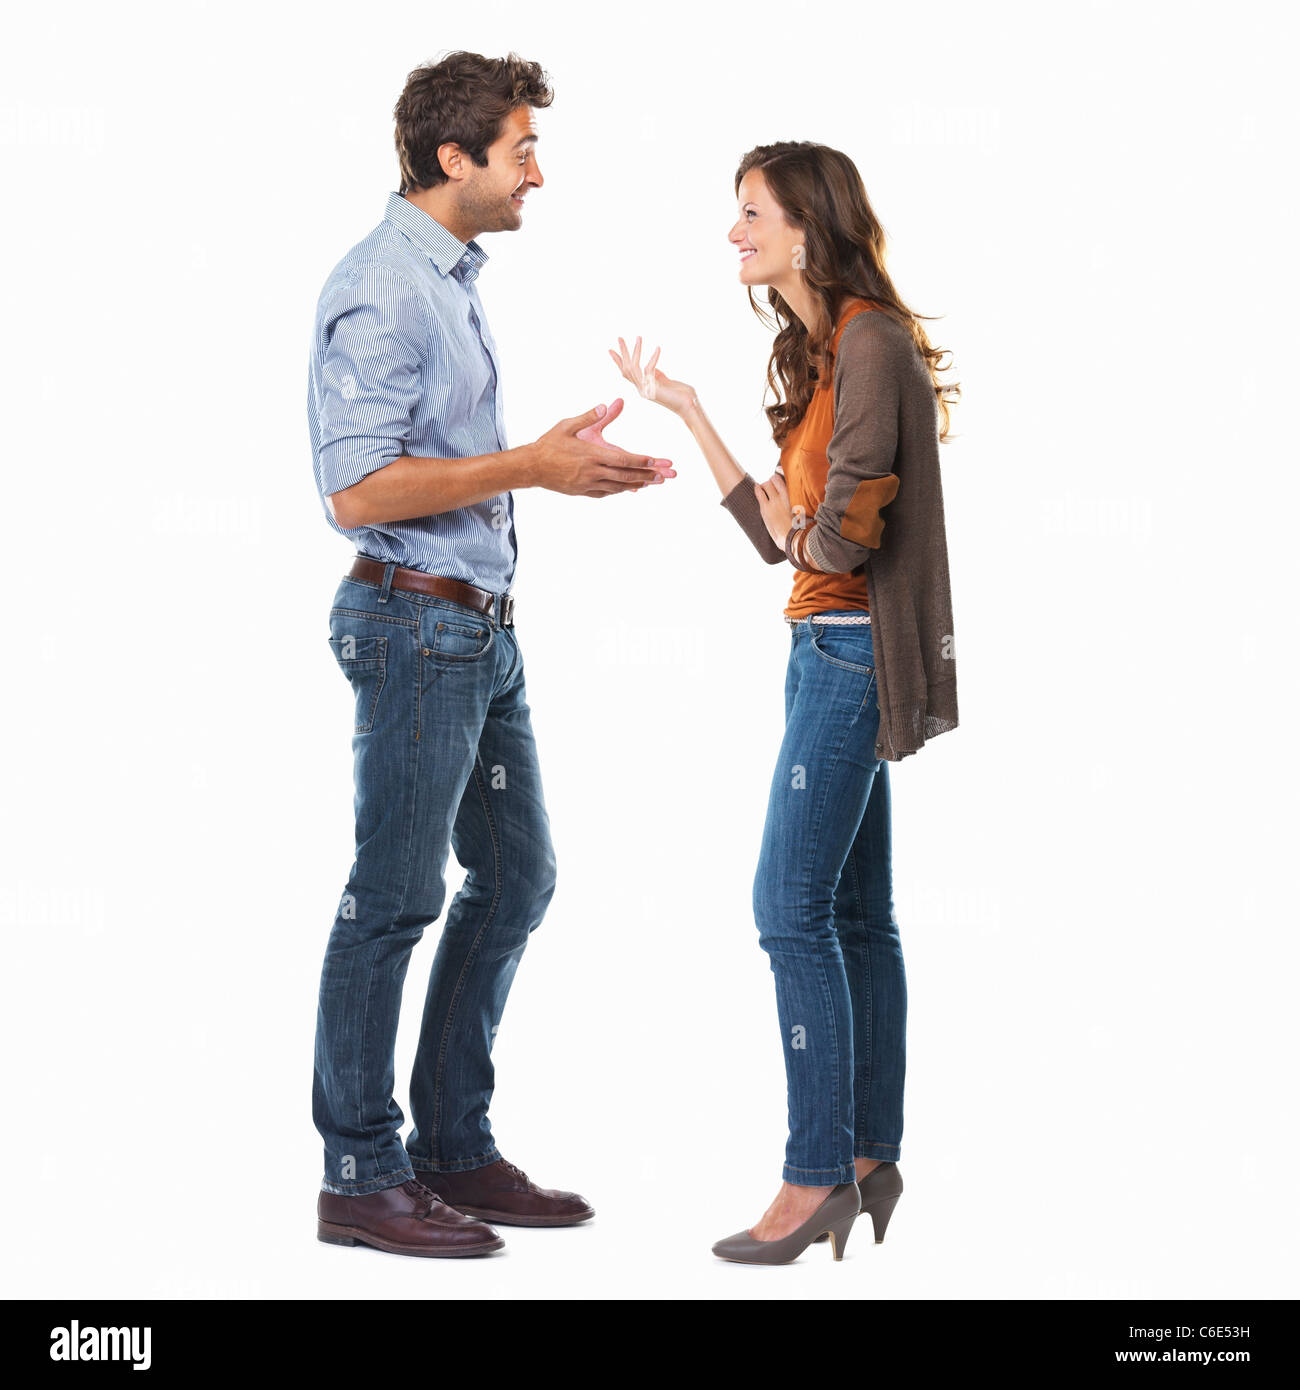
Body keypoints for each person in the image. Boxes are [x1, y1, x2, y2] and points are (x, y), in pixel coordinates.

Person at [308, 51, 674, 1258]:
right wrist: (528, 468)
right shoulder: (381, 284)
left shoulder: (447, 278)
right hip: (416, 625)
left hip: (474, 627)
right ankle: (361, 1170)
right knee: (395, 896)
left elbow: (433, 457)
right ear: (452, 157)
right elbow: (356, 491)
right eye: (522, 150)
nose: (537, 173)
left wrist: (545, 459)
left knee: (516, 877)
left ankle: (452, 1145)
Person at [609, 140, 959, 1264]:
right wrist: (690, 412)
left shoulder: (869, 343)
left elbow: (839, 534)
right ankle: (866, 1156)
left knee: (785, 907)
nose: (734, 232)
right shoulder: (828, 352)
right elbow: (782, 539)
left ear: (805, 227)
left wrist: (803, 522)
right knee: (854, 916)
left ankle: (815, 1175)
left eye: (750, 213)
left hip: (851, 652)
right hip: (823, 645)